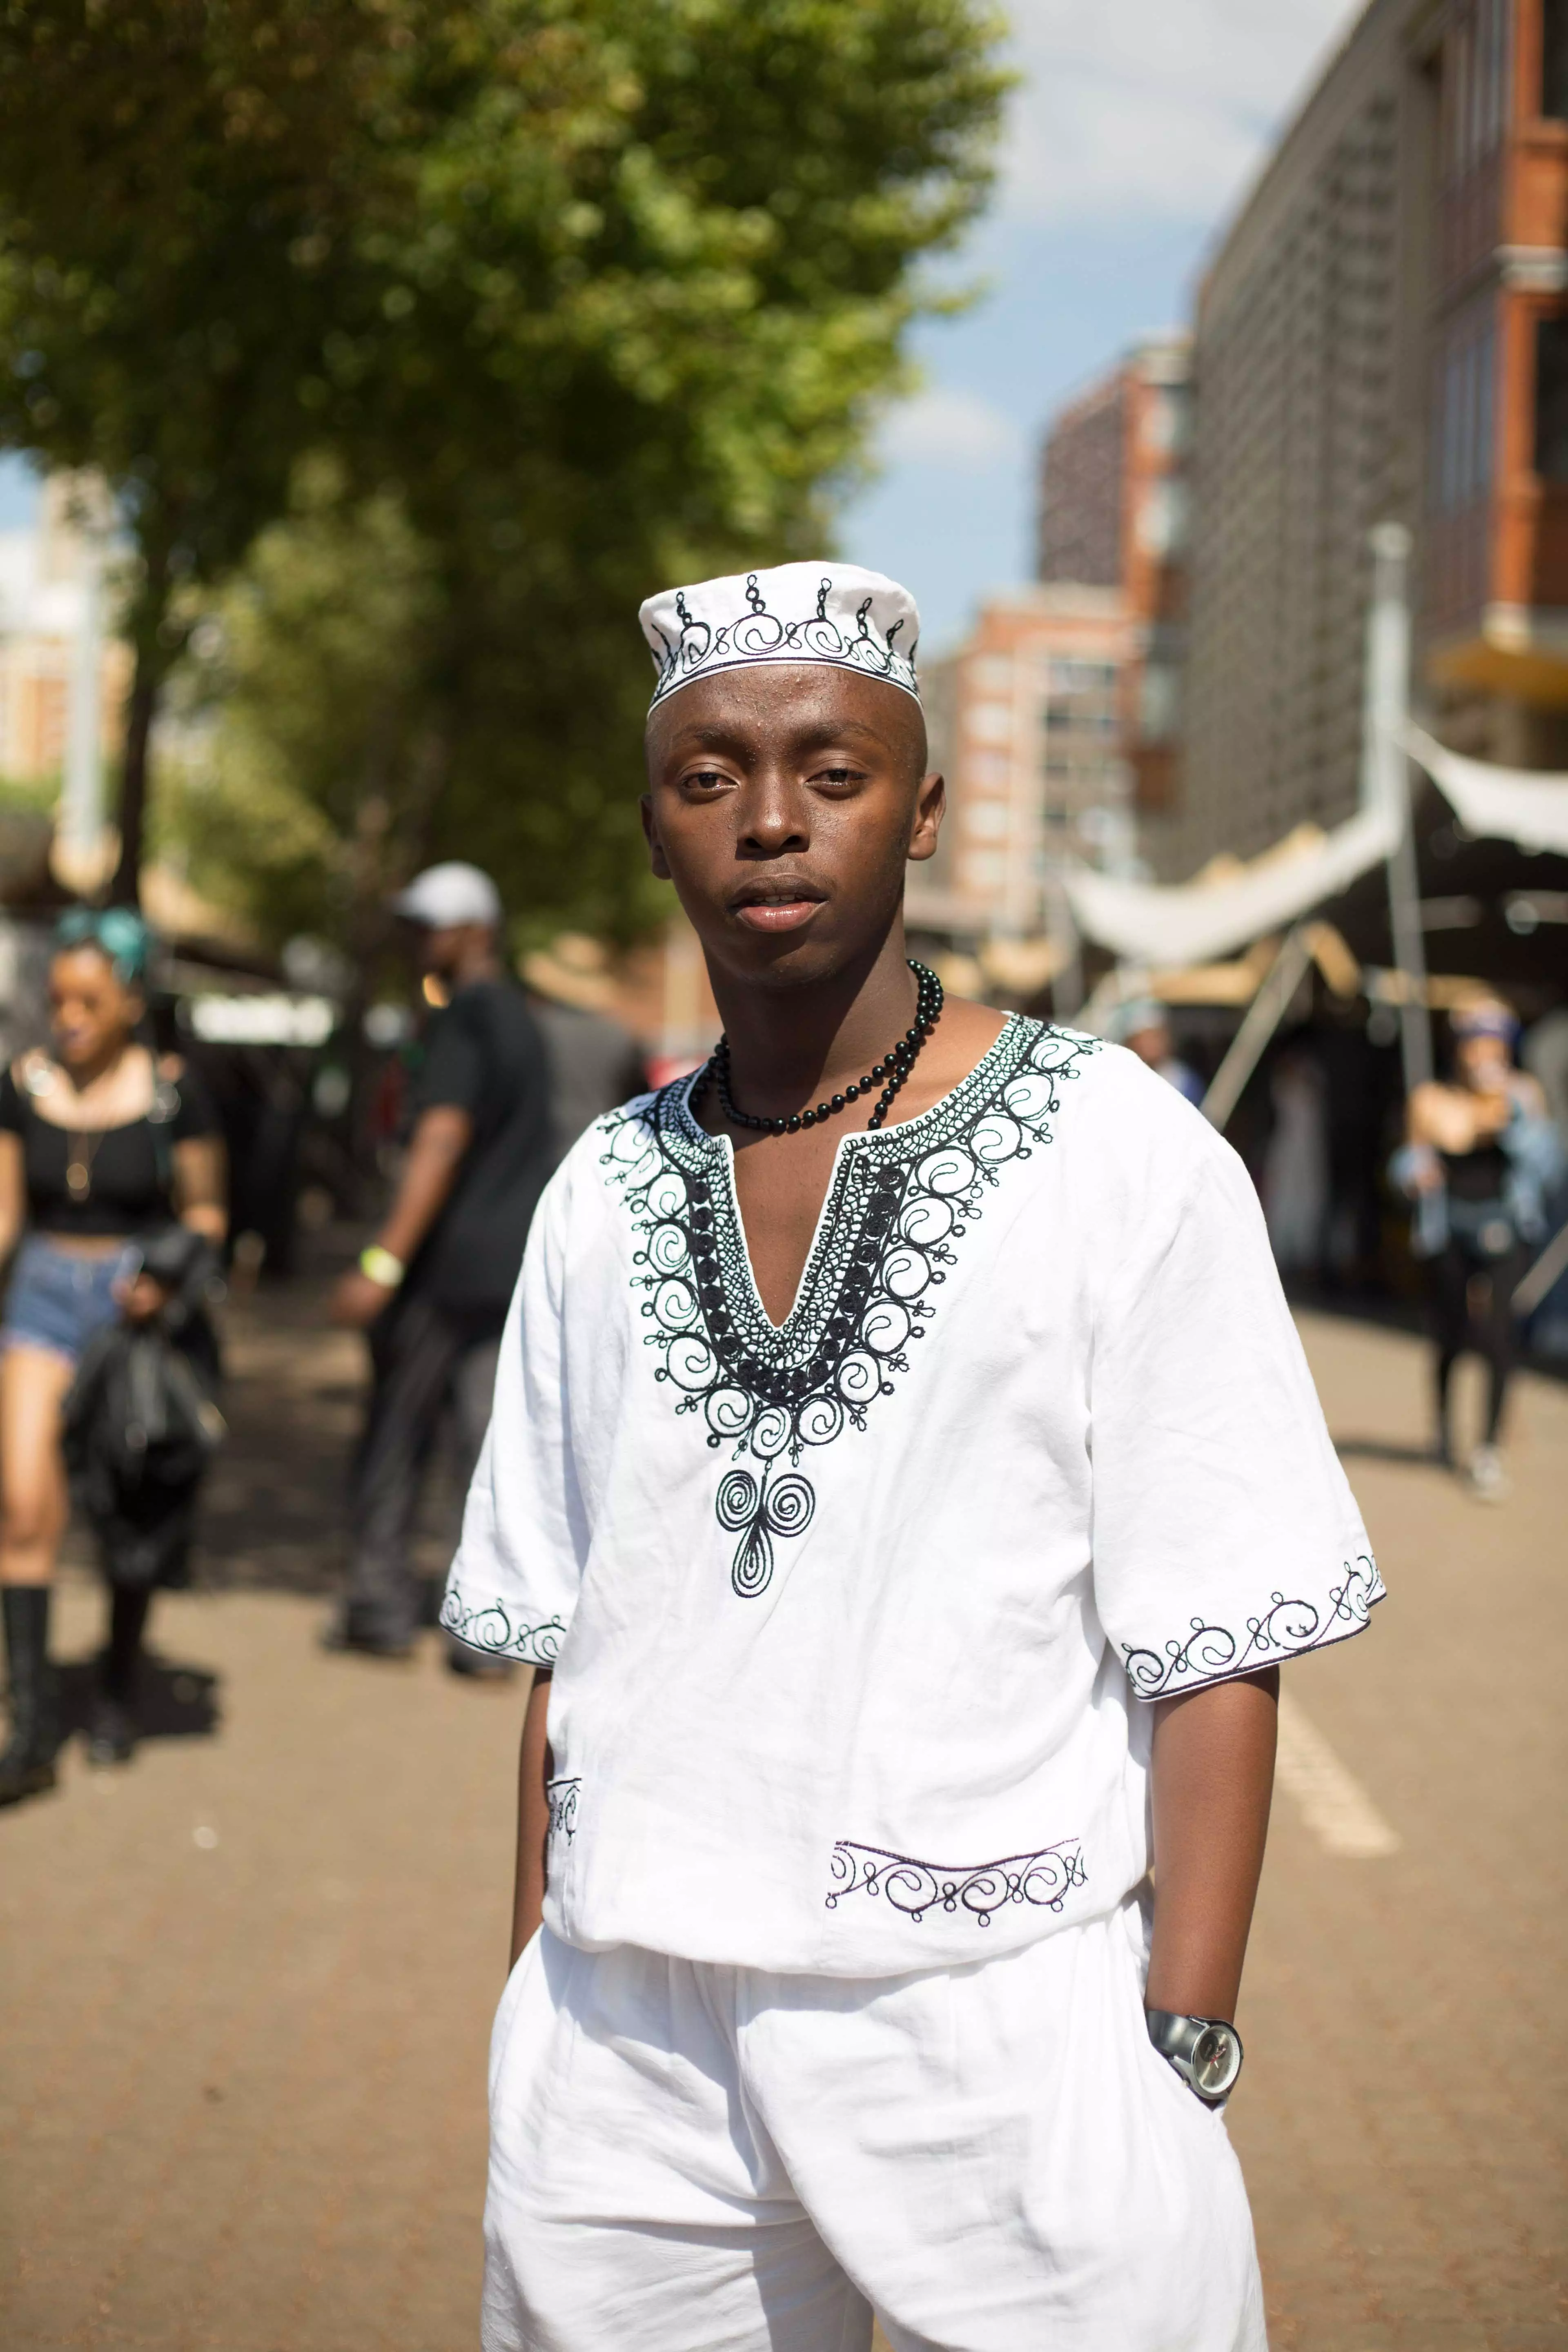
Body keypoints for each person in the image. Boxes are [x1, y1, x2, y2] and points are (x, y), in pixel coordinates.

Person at [446, 562, 1382, 2352]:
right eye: (708, 776)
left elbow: (1216, 1638)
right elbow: (566, 1657)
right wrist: (534, 2011)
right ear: (653, 829)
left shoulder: (1117, 1153)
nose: (771, 821)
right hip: (630, 2047)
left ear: (926, 810)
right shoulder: (597, 1195)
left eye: (833, 771)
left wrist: (1176, 2032)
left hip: (1002, 2025)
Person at [0, 908, 226, 1802]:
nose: (70, 1018)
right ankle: (30, 1731)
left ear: (131, 999)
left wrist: (166, 1280)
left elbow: (210, 1215)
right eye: (59, 1001)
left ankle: (120, 1693)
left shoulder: (176, 1094)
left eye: (89, 1001)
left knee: (129, 1509)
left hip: (136, 1313)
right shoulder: (20, 1084)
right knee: (21, 1504)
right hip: (43, 1299)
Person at [330, 862, 557, 1666]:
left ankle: (378, 1603)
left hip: (443, 1270)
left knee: (397, 1433)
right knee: (489, 1448)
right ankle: (487, 1631)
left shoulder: (465, 1017)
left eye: (432, 925)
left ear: (474, 932)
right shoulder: (524, 1019)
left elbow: (441, 1137)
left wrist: (383, 1261)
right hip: (505, 1267)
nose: (419, 941)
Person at [1394, 993, 1562, 1499]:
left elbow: (1549, 1166)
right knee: (1450, 1328)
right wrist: (1411, 1172)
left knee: (1498, 1330)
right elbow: (1406, 1158)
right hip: (1448, 1228)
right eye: (1475, 1044)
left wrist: (1512, 1118)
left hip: (1505, 1225)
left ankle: (1489, 1445)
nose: (1483, 1055)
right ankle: (1444, 1423)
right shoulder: (1430, 1098)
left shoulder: (1524, 1096)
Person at [520, 933, 649, 1156]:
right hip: (598, 1152)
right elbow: (639, 1099)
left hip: (537, 1155)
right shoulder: (619, 1036)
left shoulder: (532, 1028)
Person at [1109, 995, 1205, 1104]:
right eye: (1144, 1037)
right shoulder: (1116, 1080)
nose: (1152, 1044)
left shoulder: (1184, 1081)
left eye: (1156, 1035)